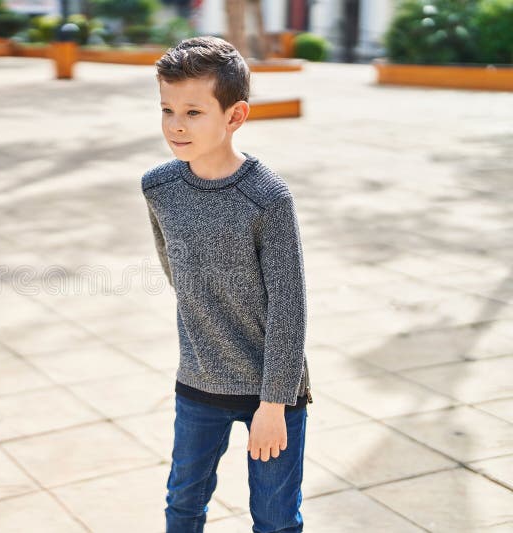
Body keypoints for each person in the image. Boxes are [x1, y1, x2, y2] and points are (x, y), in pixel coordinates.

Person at [141, 36, 313, 533]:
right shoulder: (159, 187)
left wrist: (274, 403)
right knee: (183, 506)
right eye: (167, 109)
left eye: (194, 112)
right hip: (198, 383)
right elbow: (177, 272)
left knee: (276, 519)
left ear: (234, 116)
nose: (176, 124)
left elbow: (289, 307)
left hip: (272, 389)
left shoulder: (268, 197)